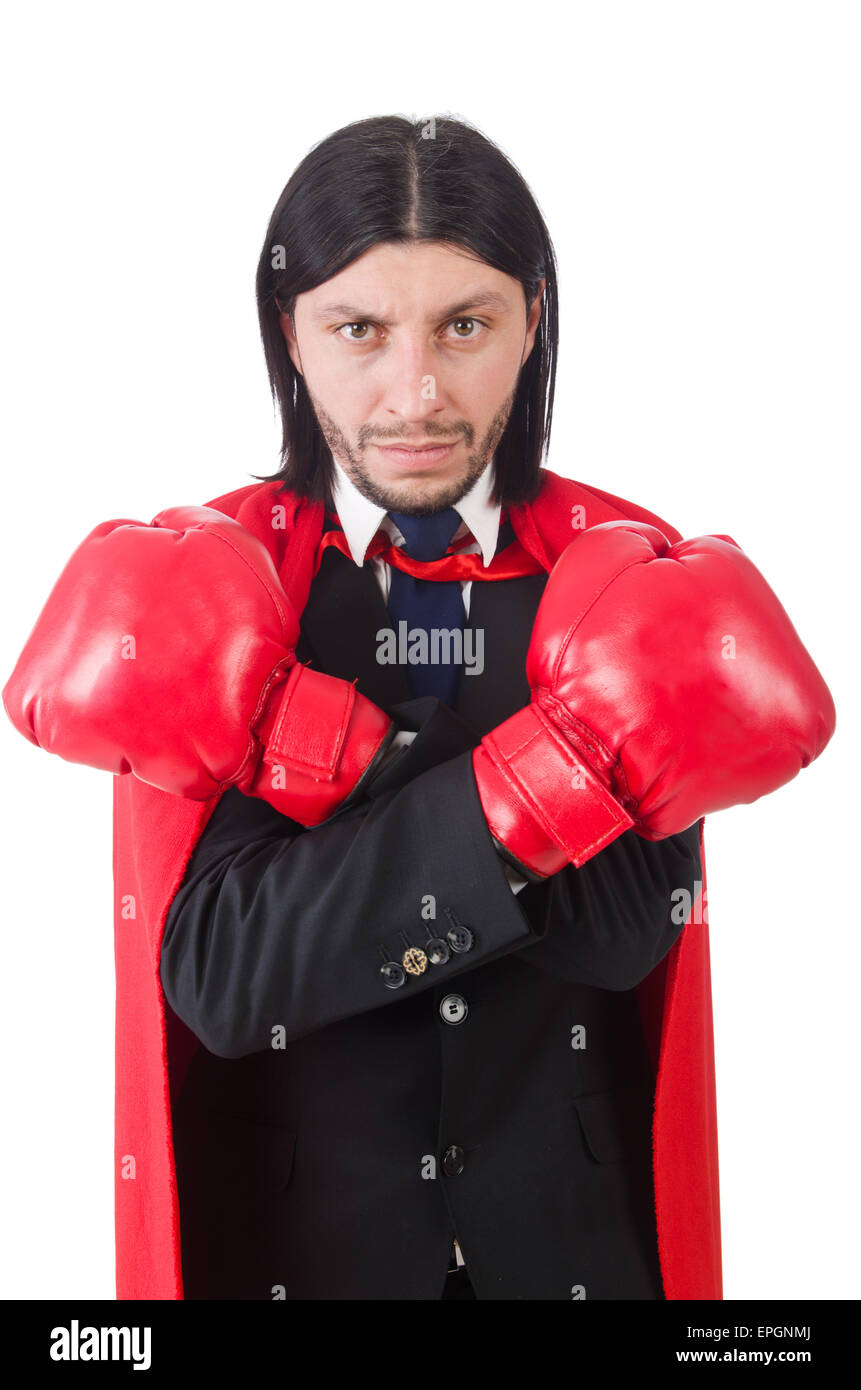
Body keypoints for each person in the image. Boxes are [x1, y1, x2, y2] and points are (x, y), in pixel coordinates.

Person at [2, 115, 836, 1301]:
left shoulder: (619, 570)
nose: (418, 391)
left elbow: (627, 929)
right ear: (289, 334)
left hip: (576, 1254)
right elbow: (224, 976)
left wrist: (337, 762)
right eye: (359, 329)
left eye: (466, 324)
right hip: (305, 1258)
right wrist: (527, 784)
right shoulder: (234, 584)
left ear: (532, 321)